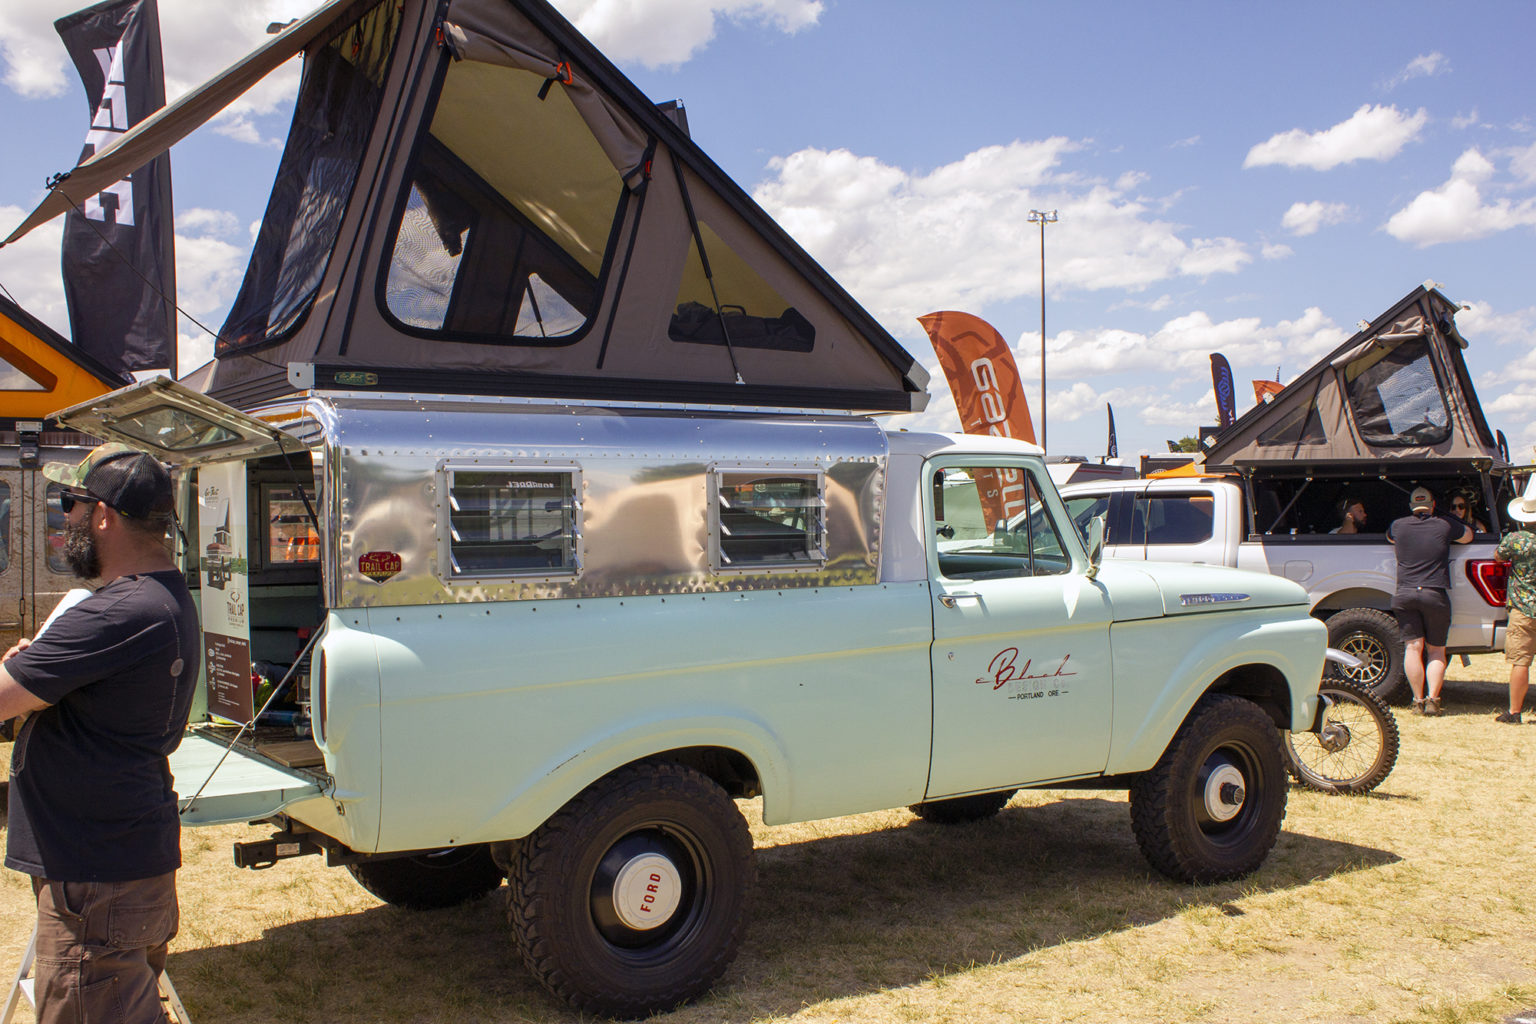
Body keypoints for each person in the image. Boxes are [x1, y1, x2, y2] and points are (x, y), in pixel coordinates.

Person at [0, 444, 200, 1024]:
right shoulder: (163, 595)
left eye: (71, 503)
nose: (65, 519)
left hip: (97, 881)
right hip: (120, 861)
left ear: (105, 515)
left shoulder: (113, 613)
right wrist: (41, 672)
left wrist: (29, 674)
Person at [1387, 486, 1473, 716]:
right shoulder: (1444, 524)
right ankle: (1433, 700)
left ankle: (1417, 701)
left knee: (1413, 648)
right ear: (1433, 505)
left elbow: (1390, 537)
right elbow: (1468, 536)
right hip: (1434, 594)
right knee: (1436, 651)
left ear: (1411, 506)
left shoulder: (1398, 525)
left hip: (1404, 593)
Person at [1494, 477, 1536, 723]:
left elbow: (1498, 556)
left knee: (1521, 661)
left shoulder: (1516, 540)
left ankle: (1515, 711)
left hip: (1522, 609)